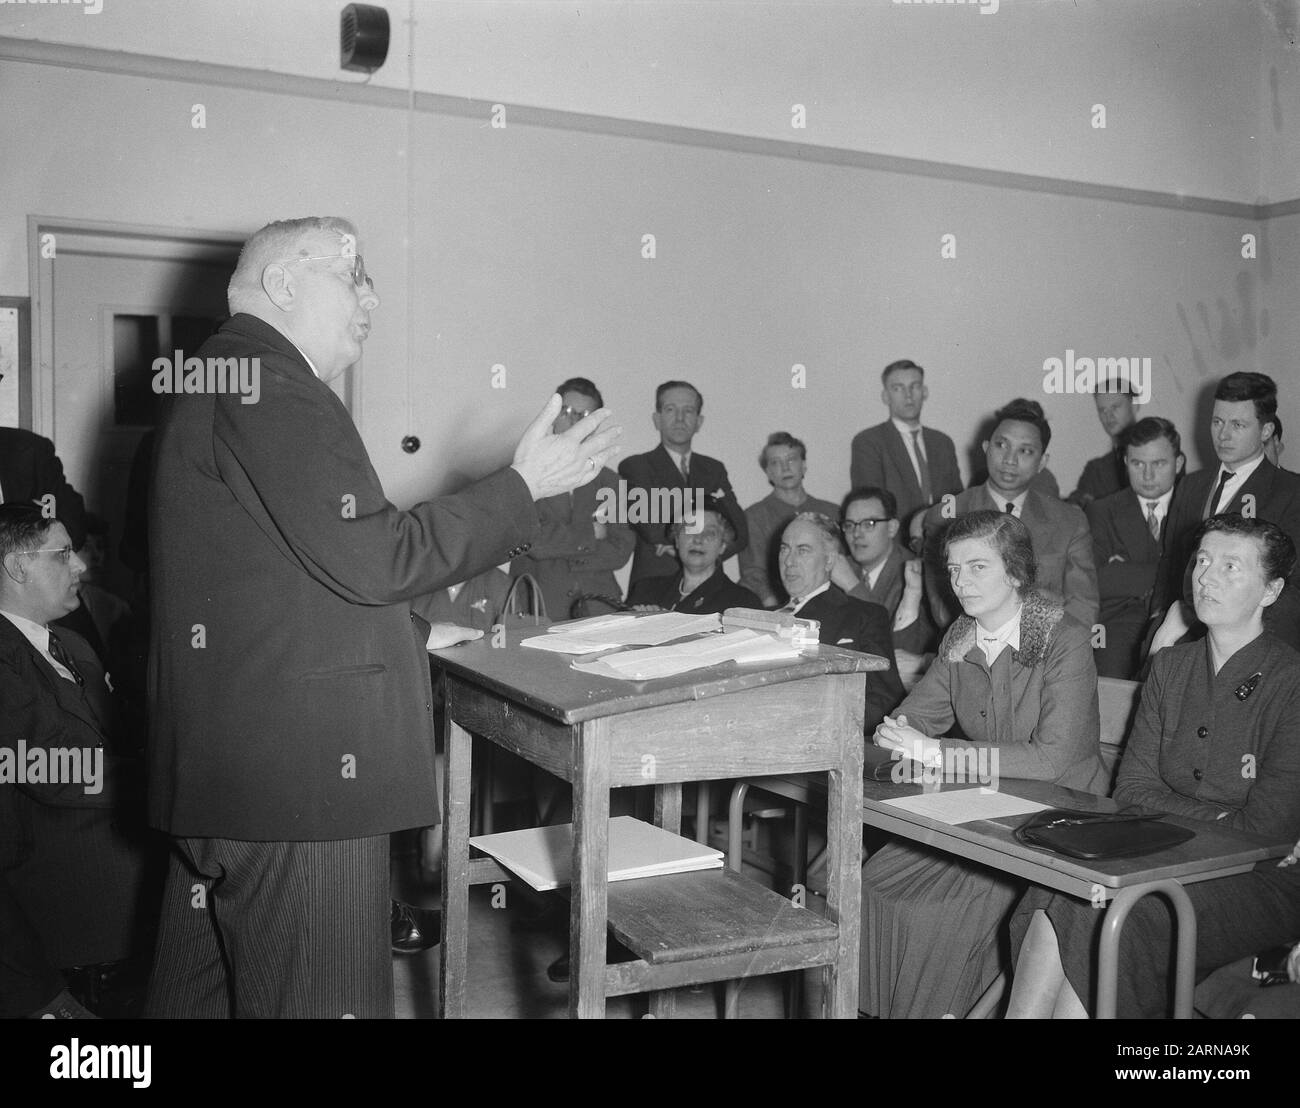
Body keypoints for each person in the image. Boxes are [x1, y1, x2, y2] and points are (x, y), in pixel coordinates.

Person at [144, 216, 619, 1019]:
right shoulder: (270, 380)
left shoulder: (220, 377)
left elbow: (285, 575)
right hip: (303, 787)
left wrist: (424, 634)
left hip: (233, 779)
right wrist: (522, 487)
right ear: (285, 284)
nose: (372, 295)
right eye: (352, 273)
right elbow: (376, 557)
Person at [1007, 515, 1300, 1019]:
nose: (1207, 576)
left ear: (1270, 590)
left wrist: (1189, 817)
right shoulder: (1171, 667)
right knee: (1064, 889)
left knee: (1117, 911)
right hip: (1159, 853)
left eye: (1231, 567)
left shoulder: (1290, 681)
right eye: (1203, 560)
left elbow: (1267, 831)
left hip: (1261, 879)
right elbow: (1135, 790)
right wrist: (1221, 818)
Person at [860, 510, 1105, 1019]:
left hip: (1062, 821)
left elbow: (1053, 759)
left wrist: (935, 753)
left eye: (977, 567)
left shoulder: (1066, 638)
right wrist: (891, 735)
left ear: (1015, 571)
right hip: (987, 808)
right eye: (953, 569)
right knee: (874, 885)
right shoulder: (960, 637)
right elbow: (915, 717)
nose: (960, 582)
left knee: (929, 911)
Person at [0, 505, 152, 1019]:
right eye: (63, 554)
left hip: (124, 875)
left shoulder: (73, 644)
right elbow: (43, 767)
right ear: (17, 565)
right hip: (70, 903)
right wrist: (167, 779)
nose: (81, 566)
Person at [1149, 372, 1300, 657]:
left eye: (1238, 425)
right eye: (1217, 422)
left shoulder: (1291, 493)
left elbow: (1289, 588)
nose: (1224, 434)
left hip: (1251, 643)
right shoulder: (1191, 485)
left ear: (1266, 431)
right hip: (1177, 634)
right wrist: (1158, 617)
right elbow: (1170, 561)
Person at [921, 398, 1098, 633]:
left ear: (1042, 461)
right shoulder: (947, 516)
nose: (1009, 460)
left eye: (1025, 451)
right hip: (973, 653)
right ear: (985, 448)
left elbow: (1083, 608)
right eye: (1002, 445)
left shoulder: (1070, 521)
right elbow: (944, 611)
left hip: (1051, 651)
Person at [510, 378, 635, 620]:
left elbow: (621, 548)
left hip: (600, 606)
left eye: (584, 414)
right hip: (538, 606)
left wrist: (562, 546)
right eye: (567, 411)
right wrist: (591, 533)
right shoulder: (522, 475)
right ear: (554, 417)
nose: (574, 420)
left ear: (595, 423)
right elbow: (532, 542)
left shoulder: (611, 482)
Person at [776, 512, 904, 733]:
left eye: (803, 550)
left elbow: (883, 699)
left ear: (829, 560)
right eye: (784, 548)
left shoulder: (863, 615)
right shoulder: (760, 619)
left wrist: (810, 725)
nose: (789, 561)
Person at [618, 380, 747, 586]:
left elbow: (740, 533)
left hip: (710, 586)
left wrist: (703, 556)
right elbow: (652, 528)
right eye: (670, 409)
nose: (679, 419)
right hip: (654, 586)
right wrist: (708, 538)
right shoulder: (636, 466)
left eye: (688, 411)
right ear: (657, 419)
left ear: (699, 421)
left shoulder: (714, 469)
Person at [1086, 417, 1184, 678]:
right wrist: (1168, 569)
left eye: (1159, 463)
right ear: (1126, 462)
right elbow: (1095, 579)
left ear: (1179, 463)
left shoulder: (1195, 503)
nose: (1148, 475)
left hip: (1183, 620)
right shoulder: (1102, 511)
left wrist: (1125, 571)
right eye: (1138, 463)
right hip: (1116, 625)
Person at [849, 359, 961, 539]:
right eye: (898, 388)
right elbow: (870, 507)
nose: (908, 395)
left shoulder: (943, 443)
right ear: (885, 396)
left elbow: (956, 499)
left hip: (943, 542)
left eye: (914, 386)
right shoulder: (869, 442)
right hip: (897, 545)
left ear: (924, 392)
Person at [829, 486, 936, 655]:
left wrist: (852, 586)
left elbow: (897, 648)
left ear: (892, 528)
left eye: (868, 524)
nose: (856, 534)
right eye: (849, 525)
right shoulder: (841, 567)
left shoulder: (914, 571)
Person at [738, 432, 838, 608]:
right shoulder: (754, 516)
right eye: (776, 463)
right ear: (768, 472)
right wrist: (778, 608)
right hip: (777, 605)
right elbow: (753, 573)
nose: (785, 468)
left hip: (830, 603)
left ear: (804, 465)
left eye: (791, 460)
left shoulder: (831, 511)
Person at [626, 502, 760, 614]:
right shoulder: (644, 591)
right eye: (690, 529)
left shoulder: (742, 604)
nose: (698, 539)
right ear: (677, 540)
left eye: (709, 533)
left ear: (722, 546)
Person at [1067, 376, 1141, 508]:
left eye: (1115, 407)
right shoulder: (1096, 470)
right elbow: (1075, 505)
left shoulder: (1161, 455)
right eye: (1102, 410)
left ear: (1134, 406)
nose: (1109, 416)